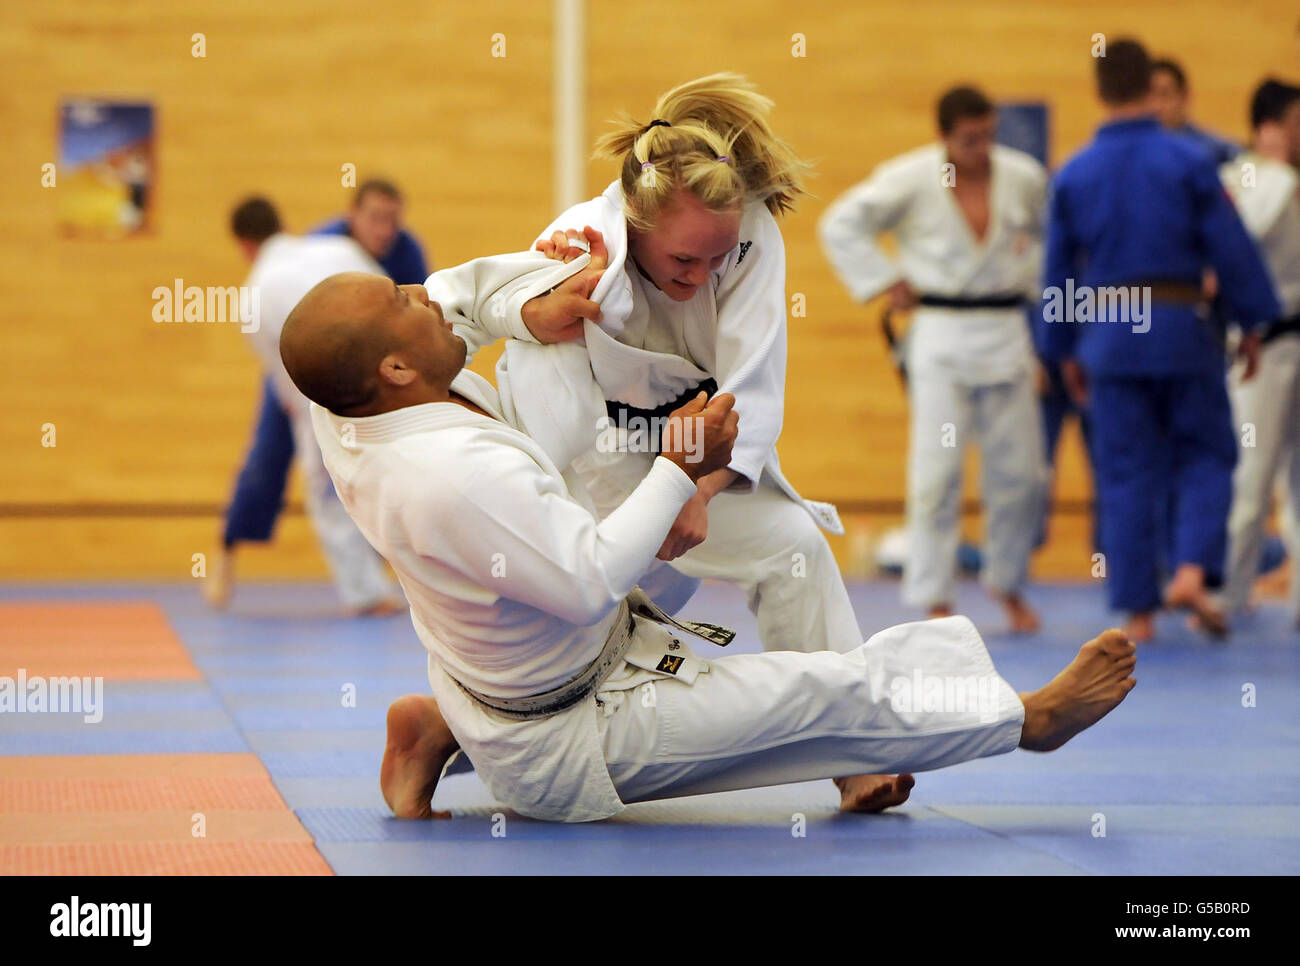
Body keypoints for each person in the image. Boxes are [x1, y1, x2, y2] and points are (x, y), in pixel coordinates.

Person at [279, 269, 1138, 823]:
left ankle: (442, 730)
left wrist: (517, 306)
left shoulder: (348, 402)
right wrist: (676, 469)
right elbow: (585, 584)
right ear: (395, 369)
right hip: (573, 728)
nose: (422, 292)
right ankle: (1025, 720)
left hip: (509, 665)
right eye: (401, 302)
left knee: (757, 542)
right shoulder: (447, 474)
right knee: (807, 695)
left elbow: (450, 294)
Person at [506, 73, 862, 662]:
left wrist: (700, 485)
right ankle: (458, 722)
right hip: (589, 456)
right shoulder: (577, 245)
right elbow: (536, 391)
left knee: (791, 547)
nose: (702, 275)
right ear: (635, 222)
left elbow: (753, 379)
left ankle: (848, 728)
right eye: (683, 258)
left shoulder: (749, 231)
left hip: (700, 450)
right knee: (591, 617)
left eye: (715, 259)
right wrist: (540, 298)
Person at [1037, 39, 1279, 642]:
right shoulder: (1190, 162)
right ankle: (1193, 569)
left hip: (1111, 335)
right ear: (1152, 86)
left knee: (1124, 471)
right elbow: (1231, 249)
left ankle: (1139, 613)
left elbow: (1059, 272)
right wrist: (1252, 322)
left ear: (1098, 92)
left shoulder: (1074, 172)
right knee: (1206, 452)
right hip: (1179, 328)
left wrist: (1061, 348)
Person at [819, 85, 1049, 632]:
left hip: (1008, 329)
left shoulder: (1023, 176)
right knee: (937, 471)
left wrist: (1046, 315)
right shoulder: (912, 177)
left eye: (988, 136)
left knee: (1023, 474)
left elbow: (1051, 243)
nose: (980, 149)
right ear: (944, 135)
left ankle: (1007, 582)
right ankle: (934, 596)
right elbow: (840, 223)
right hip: (941, 333)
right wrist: (885, 279)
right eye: (969, 139)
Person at [207, 180, 429, 608]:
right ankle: (429, 584)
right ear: (281, 224)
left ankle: (365, 594)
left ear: (244, 245)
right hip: (387, 377)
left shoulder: (255, 291)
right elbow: (393, 303)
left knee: (328, 490)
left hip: (321, 396)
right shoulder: (336, 250)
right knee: (402, 476)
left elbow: (286, 381)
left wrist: (307, 416)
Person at [1217, 79, 1300, 625]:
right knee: (1252, 477)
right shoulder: (1261, 178)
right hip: (1262, 347)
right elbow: (1236, 248)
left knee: (1290, 480)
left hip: (1284, 340)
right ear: (1271, 126)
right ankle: (1228, 596)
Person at [1150, 58, 1241, 165]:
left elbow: (1244, 159)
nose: (1156, 106)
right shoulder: (1134, 149)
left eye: (1164, 94)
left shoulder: (1209, 148)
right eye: (1149, 96)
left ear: (1184, 97)